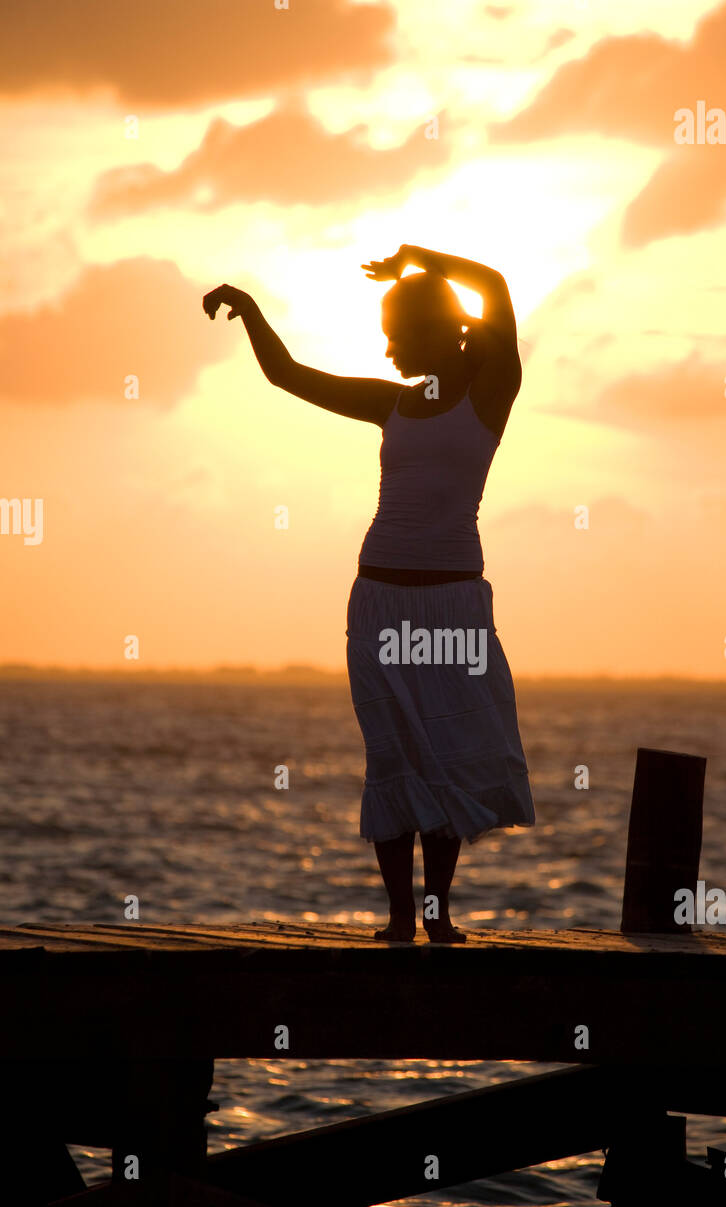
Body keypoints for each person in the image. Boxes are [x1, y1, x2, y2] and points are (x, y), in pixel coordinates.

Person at [203, 244, 535, 943]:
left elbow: (498, 286)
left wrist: (425, 260)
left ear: (437, 332)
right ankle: (397, 920)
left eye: (397, 333)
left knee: (443, 755)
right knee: (392, 755)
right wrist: (252, 310)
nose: (386, 348)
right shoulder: (392, 403)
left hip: (453, 602)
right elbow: (288, 375)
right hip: (380, 598)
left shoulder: (491, 388)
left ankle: (437, 915)